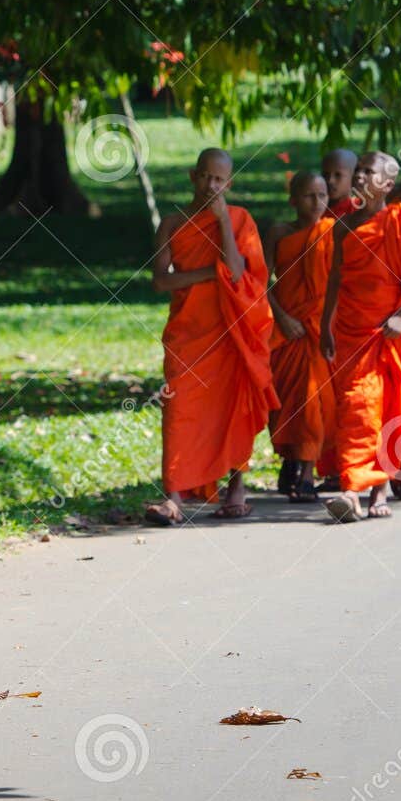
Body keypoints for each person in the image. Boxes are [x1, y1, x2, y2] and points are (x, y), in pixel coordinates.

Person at [149, 148, 277, 524]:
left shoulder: (239, 220)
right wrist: (210, 273)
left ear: (229, 184)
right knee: (179, 409)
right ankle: (173, 496)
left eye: (219, 180)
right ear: (193, 176)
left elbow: (239, 274)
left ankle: (236, 486)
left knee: (233, 406)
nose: (211, 185)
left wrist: (221, 222)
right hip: (188, 335)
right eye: (205, 176)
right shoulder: (172, 224)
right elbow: (161, 280)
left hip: (232, 333)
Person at [319, 156, 401, 521]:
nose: (360, 176)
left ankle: (364, 489)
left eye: (369, 173)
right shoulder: (344, 227)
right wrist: (326, 323)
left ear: (388, 185)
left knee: (377, 404)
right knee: (356, 407)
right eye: (359, 171)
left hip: (389, 331)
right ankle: (360, 488)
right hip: (352, 331)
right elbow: (335, 280)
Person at [267, 172, 335, 501]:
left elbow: (341, 285)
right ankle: (291, 458)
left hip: (319, 326)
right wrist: (282, 317)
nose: (317, 202)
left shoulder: (334, 232)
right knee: (283, 401)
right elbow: (260, 281)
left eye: (322, 195)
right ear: (293, 200)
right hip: (285, 325)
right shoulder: (279, 233)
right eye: (309, 196)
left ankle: (307, 471)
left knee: (313, 401)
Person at [321, 148, 359, 217]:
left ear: (353, 177)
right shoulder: (317, 207)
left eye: (338, 175)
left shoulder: (358, 210)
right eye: (326, 174)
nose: (330, 181)